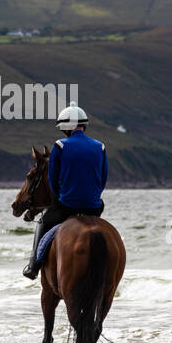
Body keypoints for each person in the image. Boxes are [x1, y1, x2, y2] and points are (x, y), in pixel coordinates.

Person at [23, 101, 108, 280]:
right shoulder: (100, 146)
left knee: (44, 222)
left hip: (68, 204)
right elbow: (103, 179)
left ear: (67, 127)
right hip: (94, 206)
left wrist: (60, 197)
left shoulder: (60, 146)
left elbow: (53, 180)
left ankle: (33, 266)